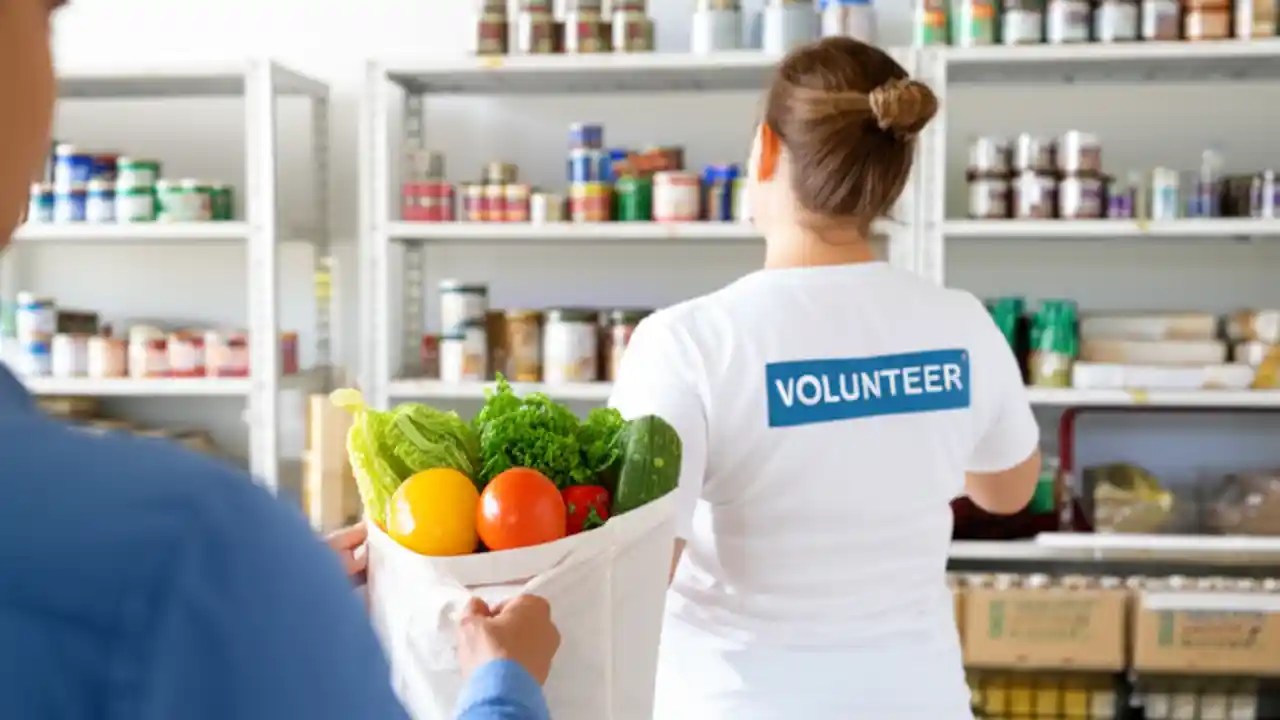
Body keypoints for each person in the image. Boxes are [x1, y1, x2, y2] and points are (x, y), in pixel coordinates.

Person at [0, 2, 555, 718]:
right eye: (45, 18)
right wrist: (507, 684)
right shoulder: (191, 551)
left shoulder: (198, 566)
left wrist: (266, 604)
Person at [608, 38, 1041, 719]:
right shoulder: (962, 325)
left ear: (766, 150)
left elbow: (626, 583)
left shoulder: (686, 343)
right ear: (890, 175)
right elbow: (1009, 490)